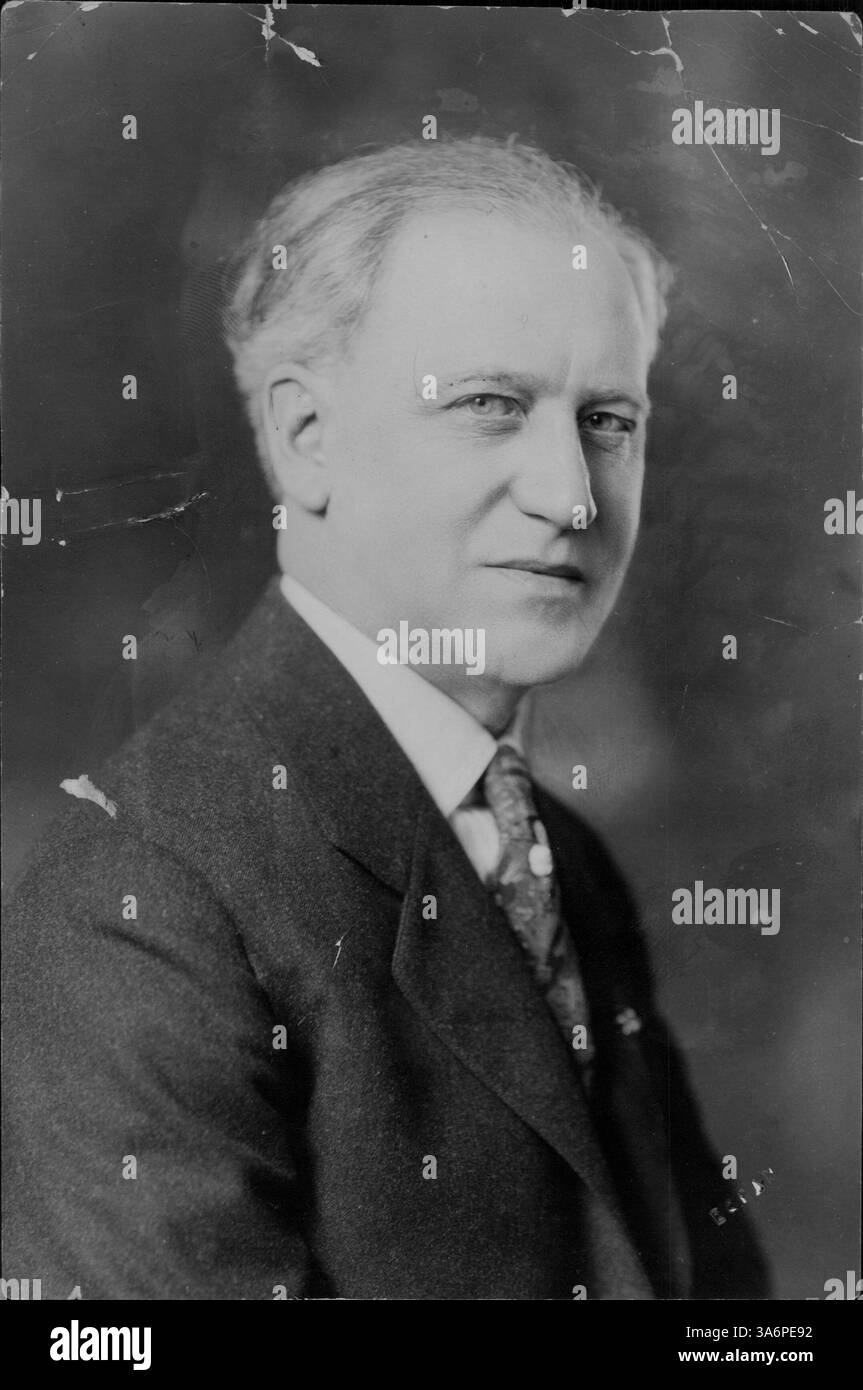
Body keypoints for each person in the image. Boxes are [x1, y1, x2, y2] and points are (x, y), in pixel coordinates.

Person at [3, 136, 768, 1300]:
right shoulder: (140, 892)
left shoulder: (564, 861)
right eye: (488, 405)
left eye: (606, 420)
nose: (570, 495)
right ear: (305, 440)